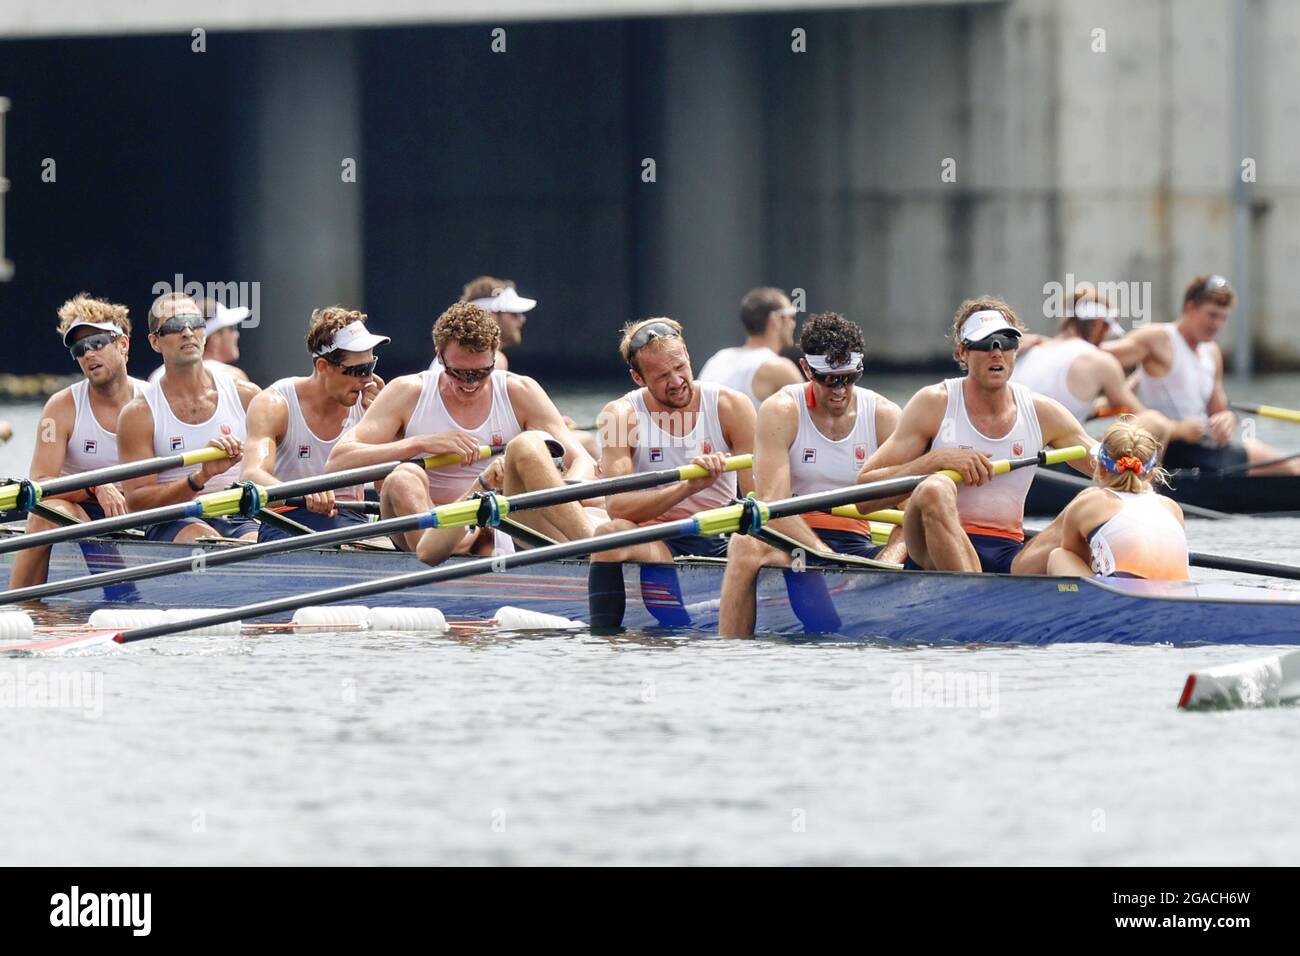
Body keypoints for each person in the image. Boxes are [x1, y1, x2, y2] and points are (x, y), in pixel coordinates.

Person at [327, 301, 596, 566]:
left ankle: (596, 553)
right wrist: (420, 443)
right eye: (459, 373)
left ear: (494, 356)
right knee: (403, 477)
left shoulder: (519, 391)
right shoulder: (408, 392)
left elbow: (582, 461)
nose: (471, 384)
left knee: (527, 447)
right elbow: (338, 461)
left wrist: (565, 494)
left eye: (482, 372)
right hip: (427, 522)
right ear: (439, 356)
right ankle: (441, 561)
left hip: (499, 519)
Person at [856, 297, 1096, 574]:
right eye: (984, 343)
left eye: (1005, 342)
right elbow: (864, 497)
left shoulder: (1042, 412)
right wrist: (936, 461)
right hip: (934, 550)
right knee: (935, 488)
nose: (996, 352)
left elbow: (1104, 465)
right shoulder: (934, 403)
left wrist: (1135, 464)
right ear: (962, 352)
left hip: (1011, 554)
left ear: (1015, 350)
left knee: (1092, 500)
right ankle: (972, 593)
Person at [718, 312, 907, 636]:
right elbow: (773, 504)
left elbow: (911, 510)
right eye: (829, 379)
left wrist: (888, 562)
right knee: (744, 543)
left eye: (849, 377)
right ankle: (734, 653)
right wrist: (825, 557)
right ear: (806, 370)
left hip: (857, 542)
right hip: (791, 539)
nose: (840, 389)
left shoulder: (884, 415)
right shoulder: (782, 410)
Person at [587, 317, 755, 565]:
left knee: (756, 541)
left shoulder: (731, 406)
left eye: (680, 367)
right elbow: (618, 507)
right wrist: (688, 487)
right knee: (608, 535)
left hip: (719, 536)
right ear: (638, 378)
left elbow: (760, 496)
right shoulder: (621, 416)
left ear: (687, 354)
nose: (676, 382)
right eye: (663, 376)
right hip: (655, 539)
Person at [7, 294, 147, 588]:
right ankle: (20, 612)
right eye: (79, 349)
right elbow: (41, 485)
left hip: (141, 510)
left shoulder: (154, 400)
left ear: (123, 344)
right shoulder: (60, 408)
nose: (88, 354)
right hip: (81, 510)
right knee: (44, 514)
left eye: (97, 343)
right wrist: (96, 485)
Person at [1104, 273, 1300, 475]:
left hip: (1204, 450)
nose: (1217, 324)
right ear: (1190, 307)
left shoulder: (1212, 352)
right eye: (1212, 315)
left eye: (1223, 318)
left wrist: (1227, 419)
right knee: (1283, 465)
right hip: (1167, 448)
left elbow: (1218, 409)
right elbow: (1100, 357)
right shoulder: (1158, 338)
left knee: (1293, 466)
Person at [117, 292, 261, 542]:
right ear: (155, 342)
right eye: (174, 325)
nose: (187, 332)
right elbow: (137, 502)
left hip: (240, 514)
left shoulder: (247, 395)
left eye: (195, 323)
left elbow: (277, 465)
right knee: (206, 542)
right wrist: (200, 477)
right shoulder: (137, 414)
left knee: (253, 542)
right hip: (175, 518)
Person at [240, 307, 388, 541]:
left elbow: (385, 487)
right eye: (358, 370)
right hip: (287, 517)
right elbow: (252, 474)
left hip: (351, 517)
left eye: (371, 366)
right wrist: (305, 491)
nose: (368, 379)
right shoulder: (274, 404)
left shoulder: (371, 402)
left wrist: (381, 425)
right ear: (322, 366)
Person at [1011, 288, 1199, 448]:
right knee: (1155, 422)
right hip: (1052, 457)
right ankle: (1139, 488)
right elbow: (1139, 414)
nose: (1106, 337)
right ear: (1100, 323)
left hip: (1014, 445)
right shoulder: (1101, 360)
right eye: (1107, 329)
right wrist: (1183, 430)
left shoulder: (1032, 348)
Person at [1047, 419, 1189, 580]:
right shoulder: (1172, 508)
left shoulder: (1089, 501)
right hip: (1176, 598)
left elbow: (1078, 558)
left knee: (1059, 555)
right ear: (1151, 473)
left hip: (1121, 599)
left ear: (1100, 467)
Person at [697, 287, 803, 409]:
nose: (793, 323)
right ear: (775, 319)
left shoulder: (717, 359)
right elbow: (810, 418)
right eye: (790, 315)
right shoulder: (778, 367)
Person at [428, 276, 535, 372]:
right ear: (491, 315)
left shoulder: (448, 357)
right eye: (515, 314)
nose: (522, 319)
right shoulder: (494, 360)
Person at [147, 299, 251, 384]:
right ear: (215, 338)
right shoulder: (232, 378)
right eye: (232, 328)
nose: (236, 335)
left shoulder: (156, 377)